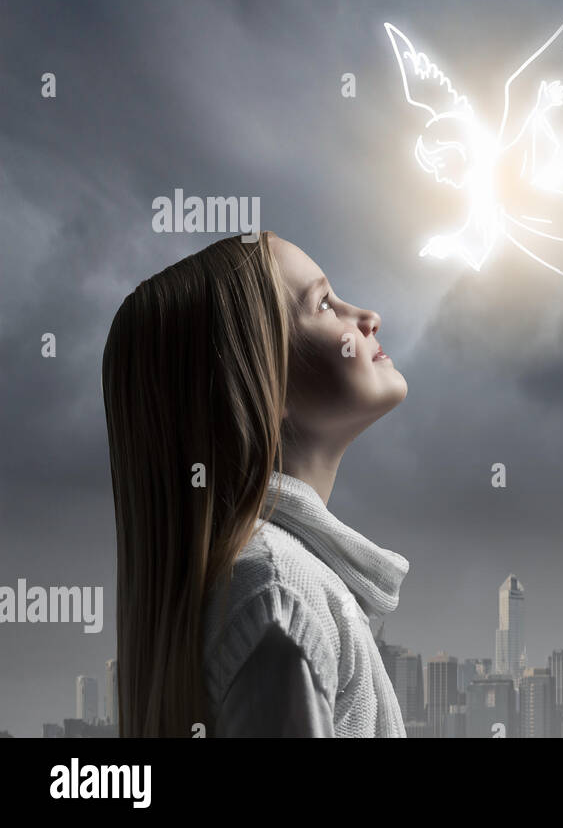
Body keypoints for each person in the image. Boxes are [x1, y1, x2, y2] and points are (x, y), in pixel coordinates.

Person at [102, 230, 410, 736]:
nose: (367, 317)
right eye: (324, 304)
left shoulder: (267, 587)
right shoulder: (280, 595)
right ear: (261, 381)